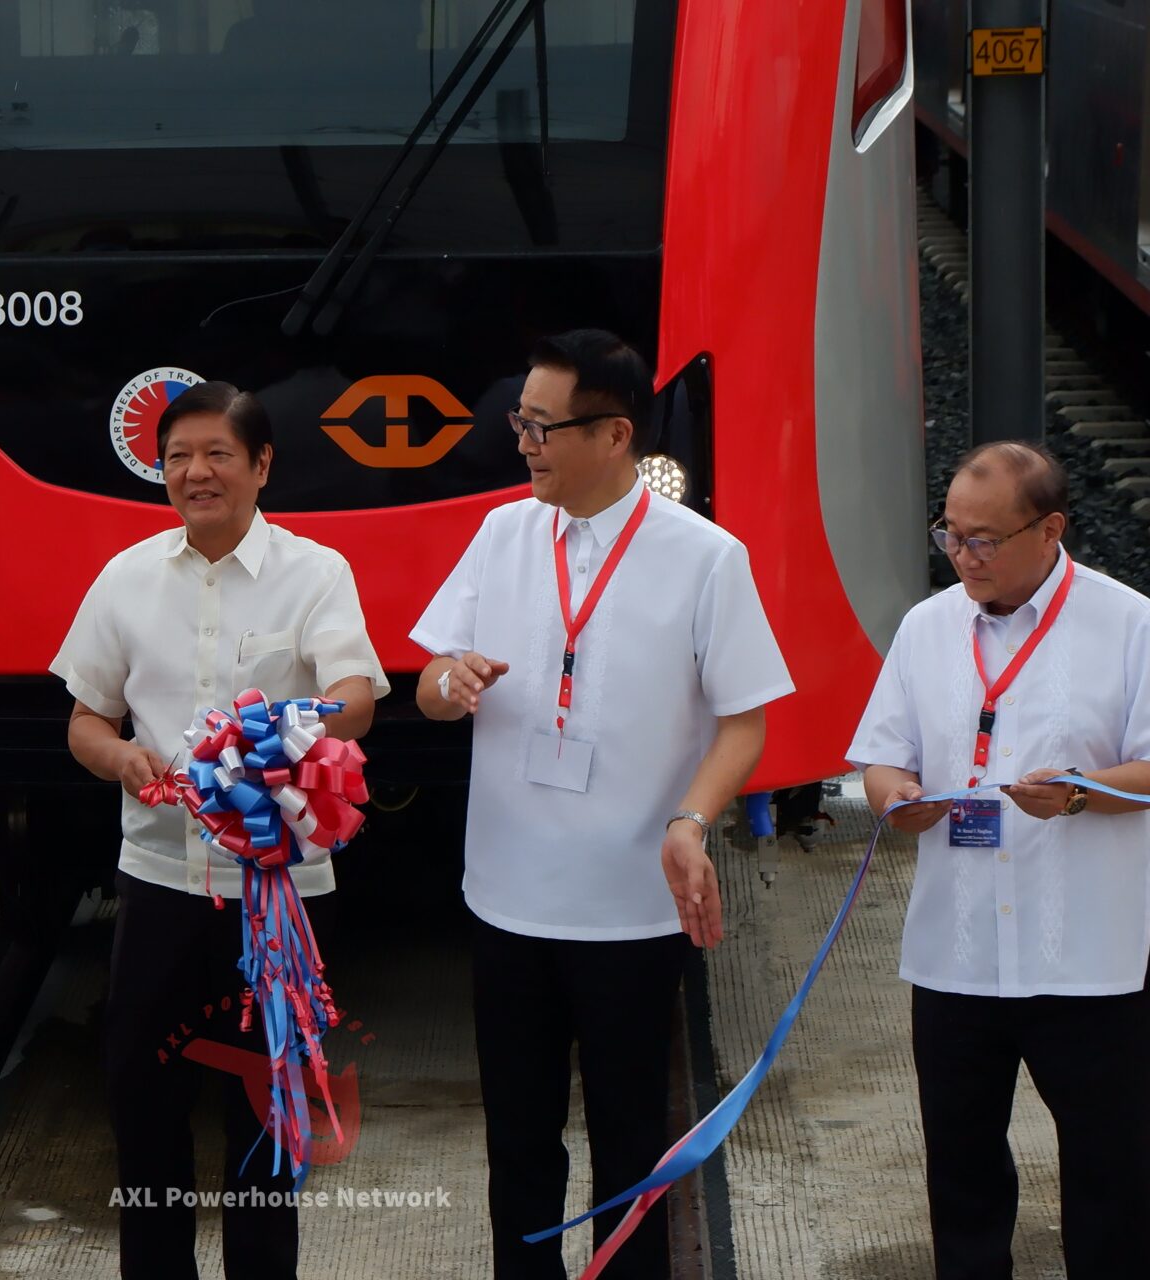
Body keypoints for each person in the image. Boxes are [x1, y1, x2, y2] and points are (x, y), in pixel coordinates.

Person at [410, 330, 792, 1278]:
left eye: (545, 426)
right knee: (519, 1142)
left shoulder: (704, 557)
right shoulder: (502, 532)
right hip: (508, 898)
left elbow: (746, 722)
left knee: (632, 1147)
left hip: (630, 907)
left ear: (616, 434)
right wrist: (447, 681)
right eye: (521, 422)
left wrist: (690, 819)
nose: (526, 443)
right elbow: (424, 677)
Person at [51, 381, 387, 1280]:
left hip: (276, 895)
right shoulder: (126, 577)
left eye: (217, 455)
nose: (196, 473)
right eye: (177, 459)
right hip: (160, 882)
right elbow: (86, 718)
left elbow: (357, 696)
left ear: (262, 465)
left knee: (266, 1116)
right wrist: (121, 758)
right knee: (142, 1103)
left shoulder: (316, 573)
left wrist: (293, 727)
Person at [847, 441, 1150, 1279]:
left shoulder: (1128, 621)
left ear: (1050, 529)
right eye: (952, 534)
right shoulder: (927, 626)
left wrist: (1084, 792)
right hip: (958, 955)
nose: (963, 556)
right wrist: (895, 798)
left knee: (1111, 1177)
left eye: (985, 539)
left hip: (1090, 962)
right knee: (963, 1175)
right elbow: (877, 757)